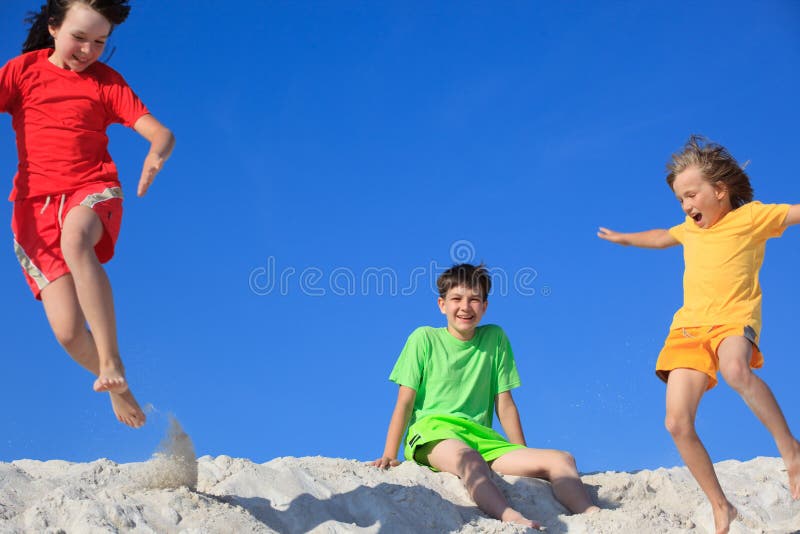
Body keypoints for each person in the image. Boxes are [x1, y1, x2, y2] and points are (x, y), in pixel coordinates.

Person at [598, 135, 800, 534]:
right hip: (688, 328)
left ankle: (791, 452)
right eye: (680, 200)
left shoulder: (751, 218)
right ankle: (720, 506)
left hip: (732, 319)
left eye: (691, 195)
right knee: (676, 423)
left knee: (736, 371)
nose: (687, 206)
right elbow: (661, 236)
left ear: (720, 191)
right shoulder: (690, 231)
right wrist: (624, 238)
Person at [0, 0, 175, 428]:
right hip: (33, 211)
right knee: (67, 332)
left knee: (76, 239)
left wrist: (158, 149)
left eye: (100, 42)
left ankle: (111, 356)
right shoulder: (22, 71)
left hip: (91, 190)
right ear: (54, 28)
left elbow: (158, 130)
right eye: (80, 37)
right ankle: (115, 383)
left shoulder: (105, 82)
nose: (89, 50)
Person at [372, 263, 599, 530]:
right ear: (442, 305)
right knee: (470, 460)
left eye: (474, 299)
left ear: (485, 306)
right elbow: (405, 401)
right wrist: (390, 452)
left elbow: (504, 403)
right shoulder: (423, 339)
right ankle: (511, 517)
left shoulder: (495, 338)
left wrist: (521, 451)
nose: (465, 307)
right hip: (434, 435)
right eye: (456, 299)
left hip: (483, 439)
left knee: (562, 459)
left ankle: (593, 514)